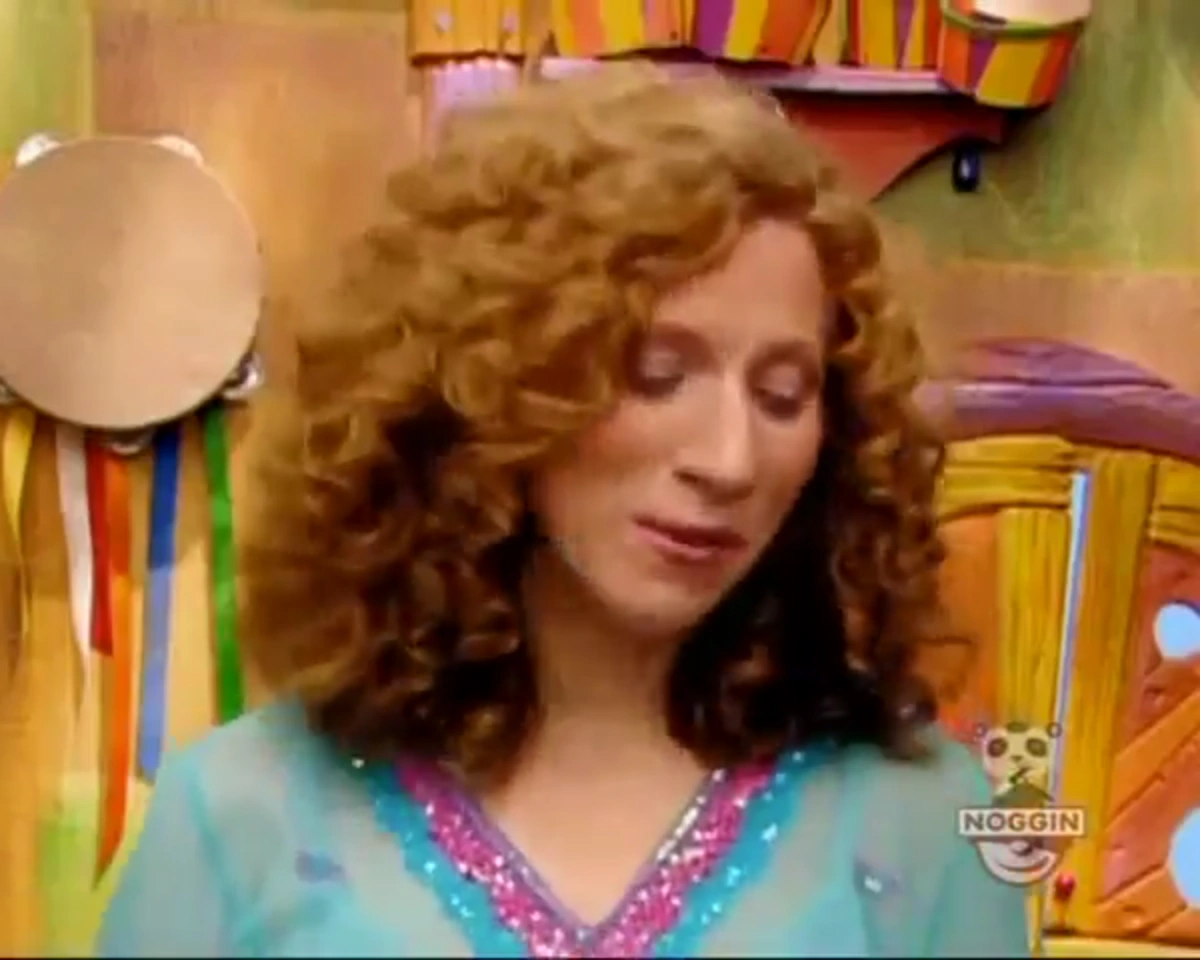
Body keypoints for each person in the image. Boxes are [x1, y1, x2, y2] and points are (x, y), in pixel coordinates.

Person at [97, 65, 1031, 958]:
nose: (730, 460)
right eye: (656, 375)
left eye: (784, 396)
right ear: (487, 386)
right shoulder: (239, 816)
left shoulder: (922, 827)